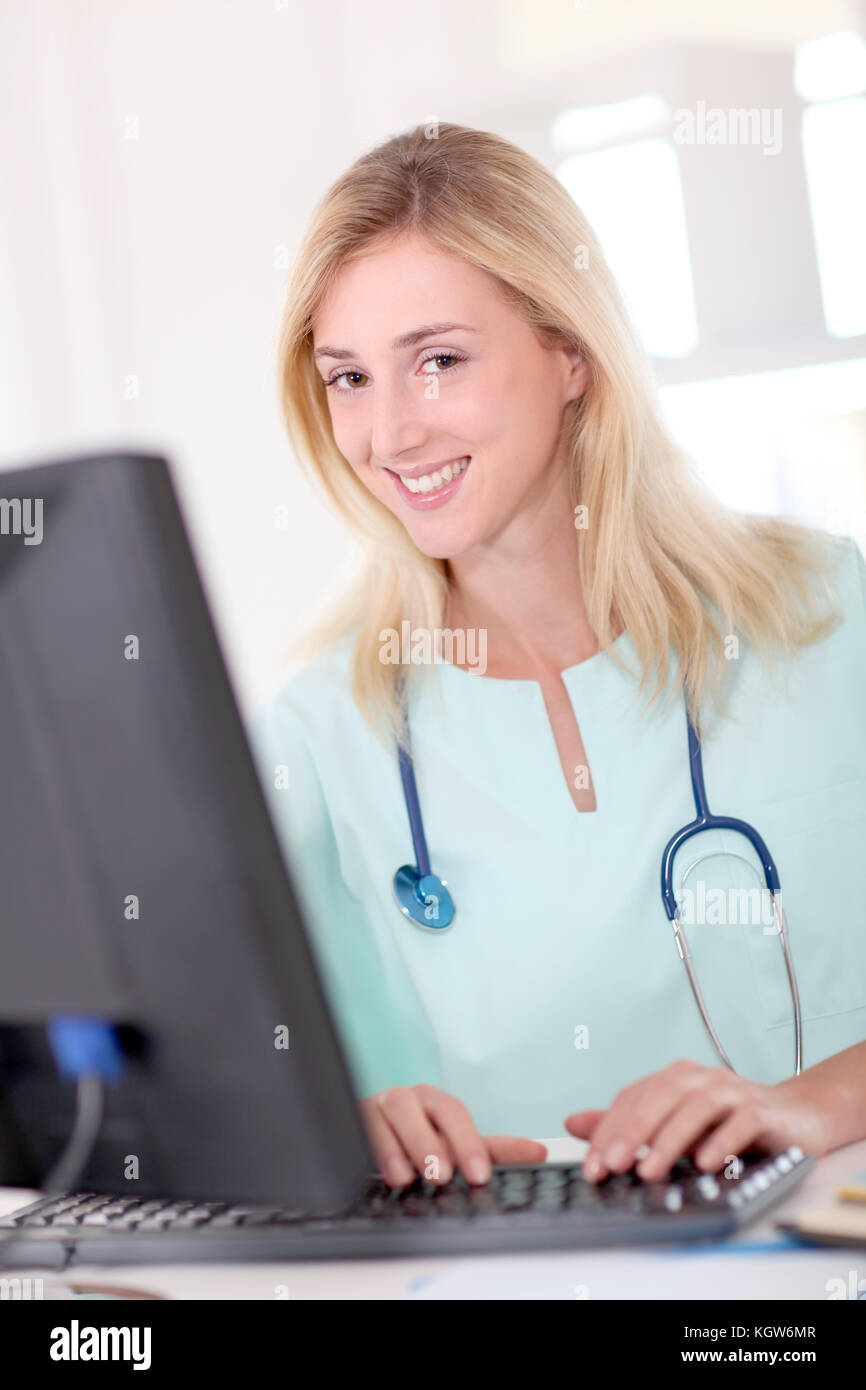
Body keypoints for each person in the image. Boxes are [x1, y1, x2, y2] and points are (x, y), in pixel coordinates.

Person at [249, 122, 866, 1191]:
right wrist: (340, 1125)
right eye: (346, 377)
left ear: (568, 353)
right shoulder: (319, 732)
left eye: (436, 361)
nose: (388, 433)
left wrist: (805, 1102)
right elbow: (222, 1094)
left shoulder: (826, 612)